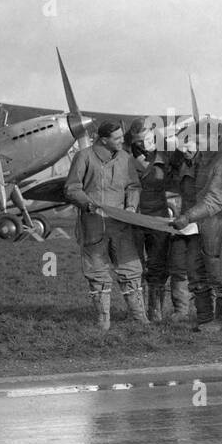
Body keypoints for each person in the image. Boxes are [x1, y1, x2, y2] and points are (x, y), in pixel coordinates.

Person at [63, 121, 147, 330]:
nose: (121, 141)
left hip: (121, 225)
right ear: (103, 140)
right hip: (93, 225)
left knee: (131, 269)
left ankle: (140, 319)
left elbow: (134, 186)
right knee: (97, 272)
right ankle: (103, 321)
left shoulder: (126, 159)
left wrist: (131, 207)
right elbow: (72, 189)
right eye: (117, 138)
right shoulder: (83, 157)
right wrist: (88, 204)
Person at [171, 135, 222, 332]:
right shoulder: (196, 162)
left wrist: (187, 217)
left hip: (221, 219)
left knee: (219, 269)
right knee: (194, 271)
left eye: (195, 141)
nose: (185, 149)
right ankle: (204, 318)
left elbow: (214, 200)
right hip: (197, 221)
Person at [127, 124, 191, 323]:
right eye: (137, 141)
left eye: (145, 139)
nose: (142, 144)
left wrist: (181, 151)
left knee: (158, 266)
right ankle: (139, 314)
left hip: (158, 218)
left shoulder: (164, 155)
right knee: (133, 267)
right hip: (133, 217)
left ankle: (155, 313)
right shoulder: (126, 159)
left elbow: (181, 168)